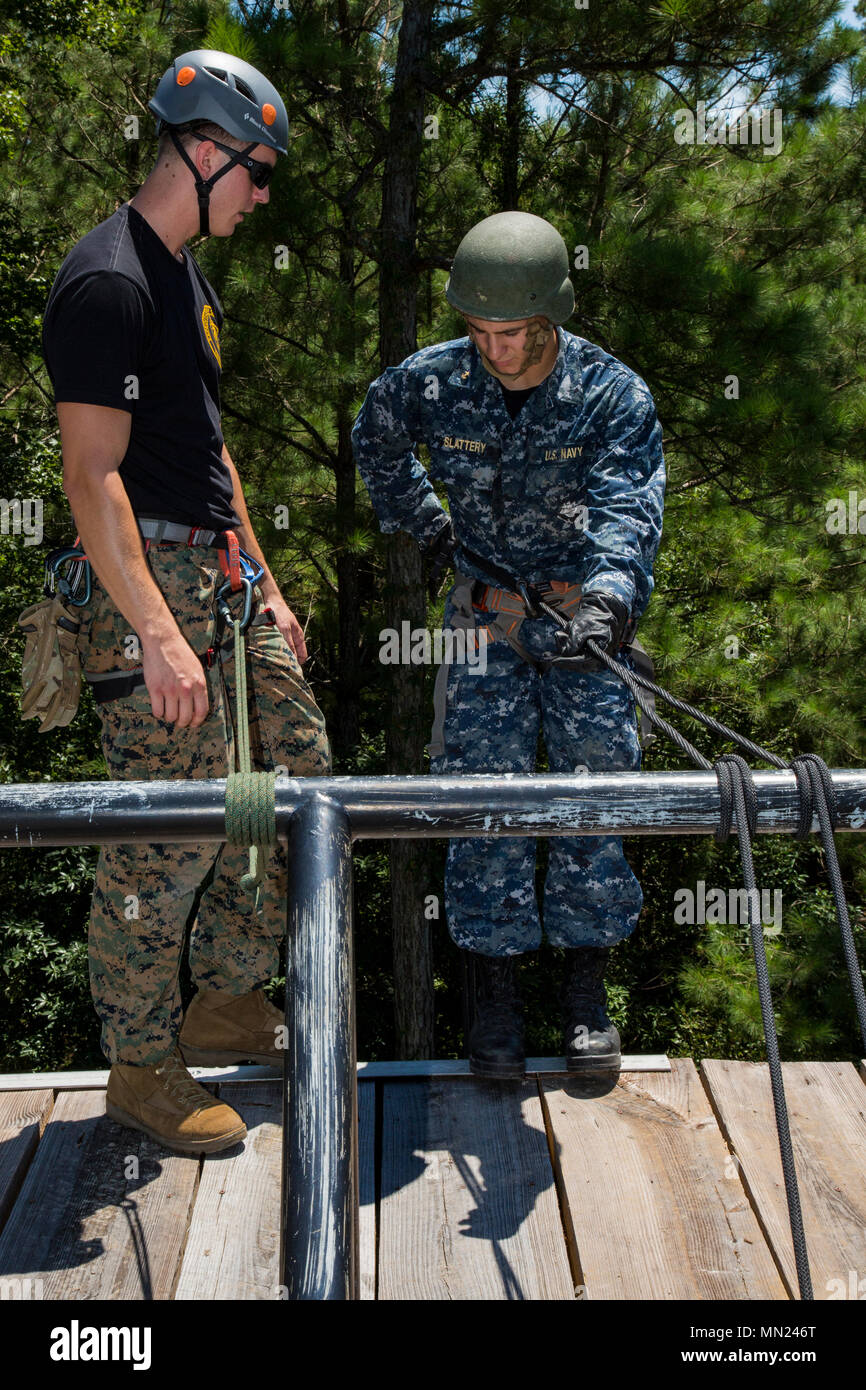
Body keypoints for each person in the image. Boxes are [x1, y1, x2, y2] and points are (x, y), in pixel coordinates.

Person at [41, 50, 331, 1154]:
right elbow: (89, 477)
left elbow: (213, 452)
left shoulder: (187, 281)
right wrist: (159, 636)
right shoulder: (108, 279)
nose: (262, 195)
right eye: (256, 172)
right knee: (162, 829)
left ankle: (225, 993)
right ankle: (140, 1061)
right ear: (204, 151)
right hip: (142, 584)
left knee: (288, 781)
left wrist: (264, 580)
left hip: (218, 574)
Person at [352, 211, 665, 1079]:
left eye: (514, 333)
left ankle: (585, 999)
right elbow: (373, 437)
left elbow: (627, 506)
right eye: (480, 331)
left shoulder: (610, 392)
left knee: (595, 793)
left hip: (582, 628)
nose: (495, 349)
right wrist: (430, 527)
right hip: (485, 622)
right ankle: (493, 1008)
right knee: (481, 799)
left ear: (552, 315)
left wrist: (607, 599)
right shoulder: (433, 382)